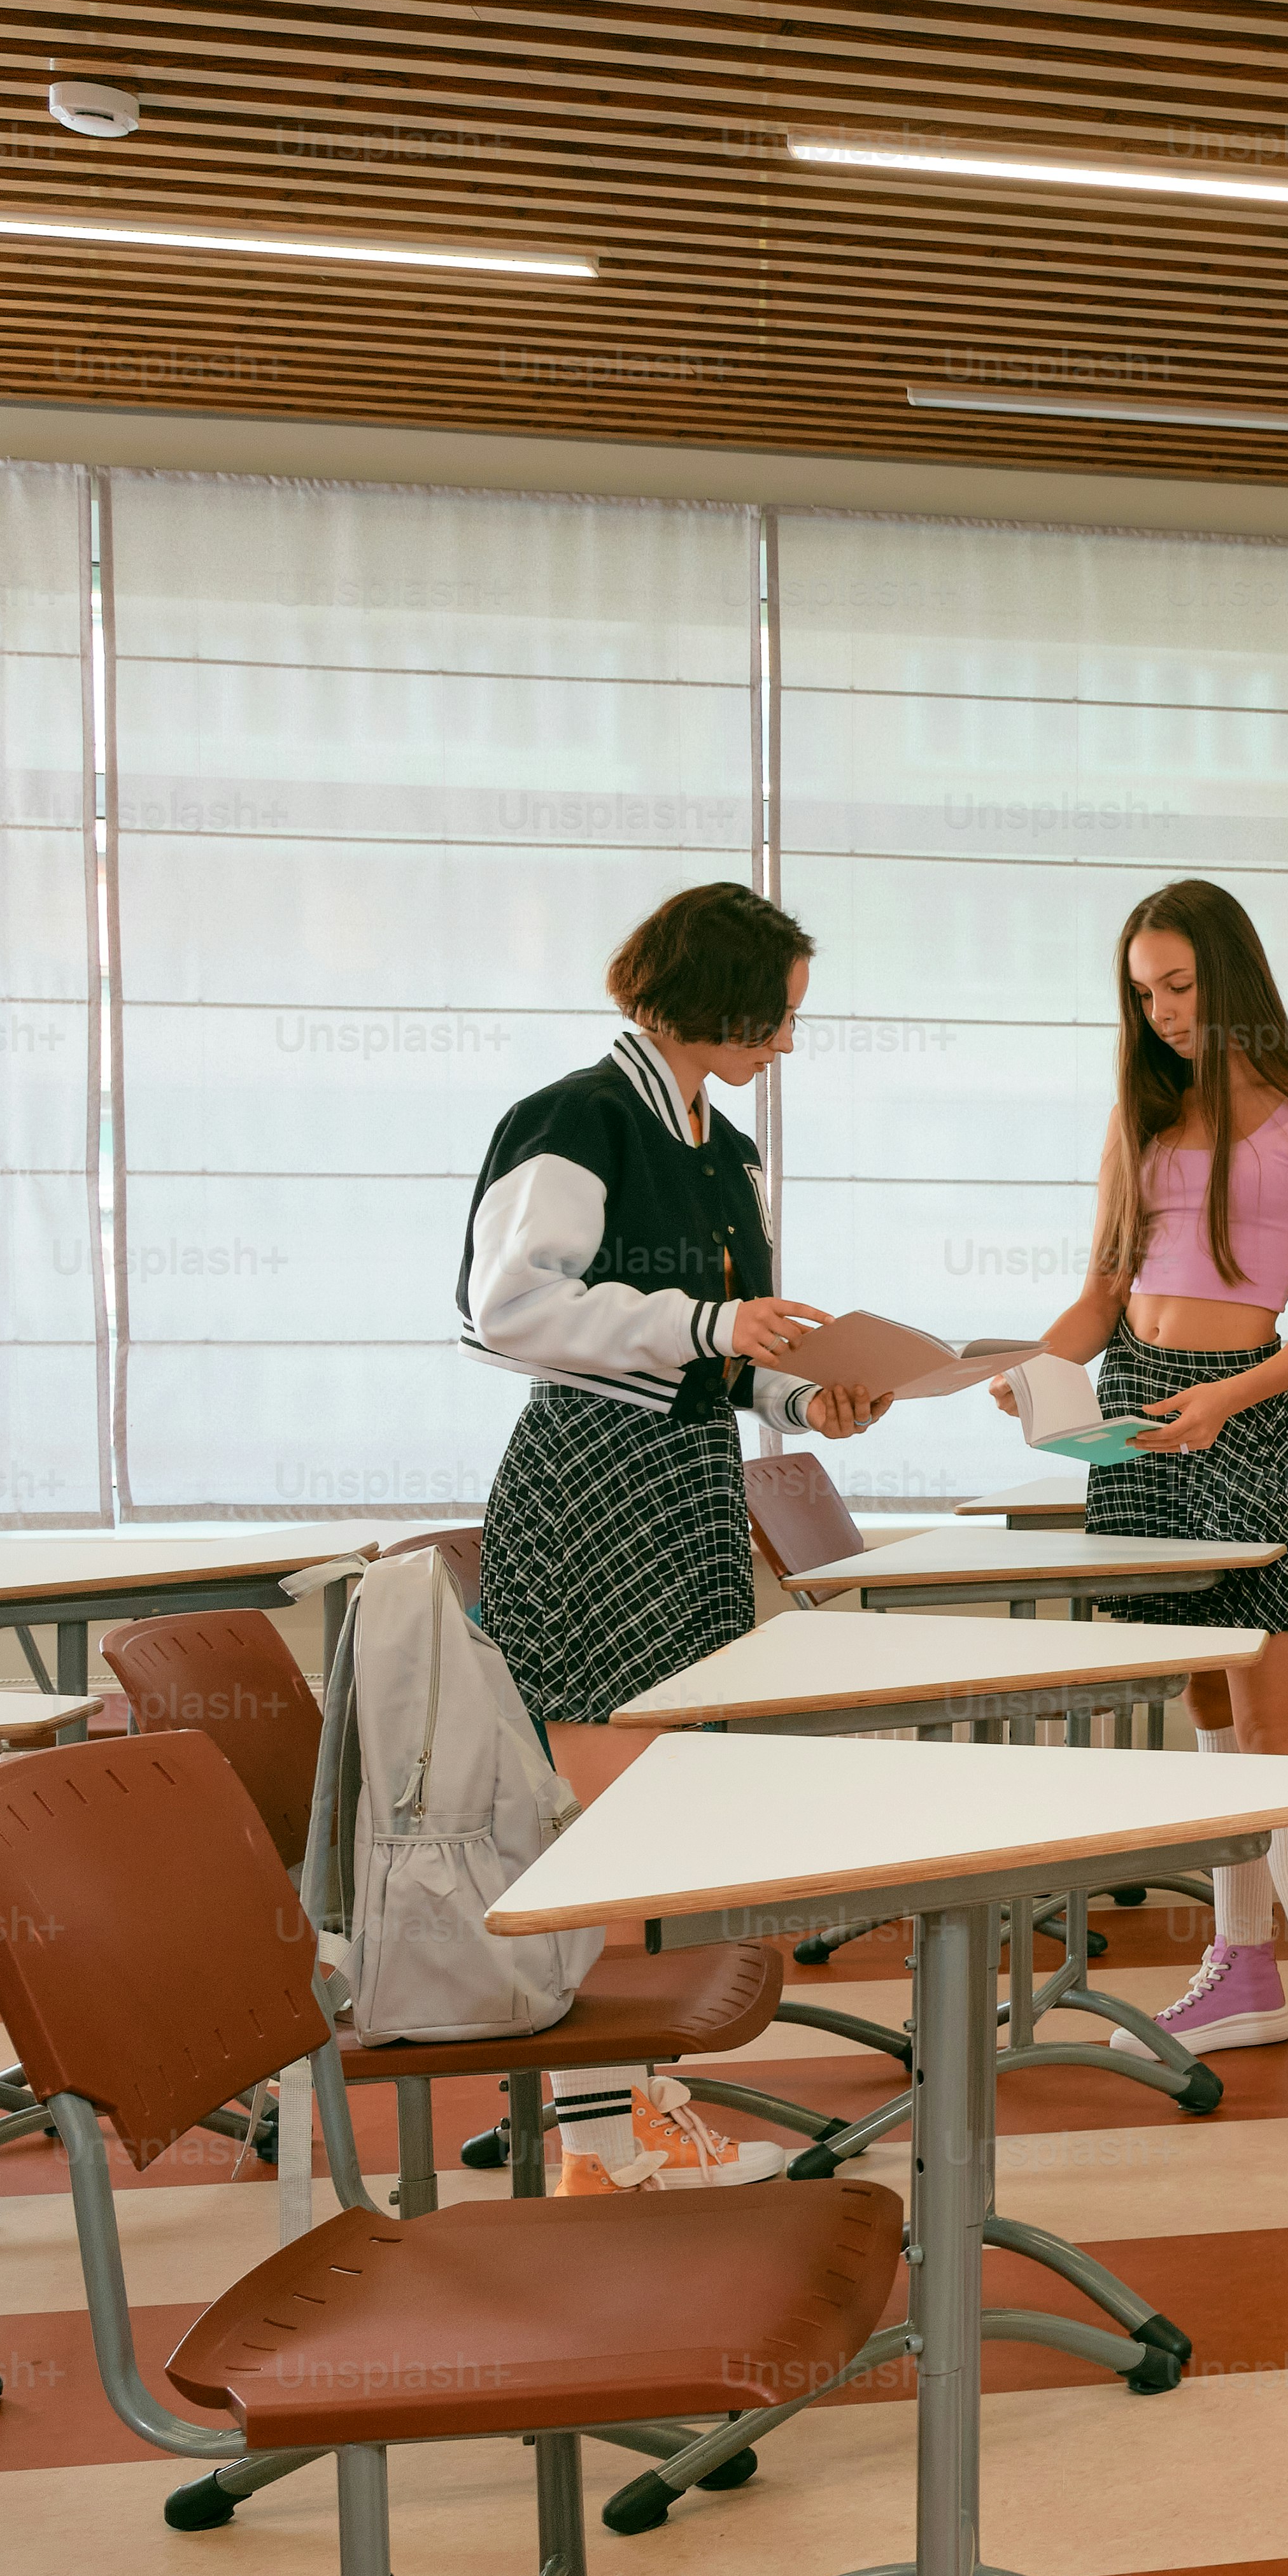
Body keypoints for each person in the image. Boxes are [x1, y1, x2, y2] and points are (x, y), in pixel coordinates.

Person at [458, 880, 882, 2192]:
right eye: (782, 1017)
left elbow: (728, 1349)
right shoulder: (577, 1118)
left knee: (658, 1816)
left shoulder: (723, 1150)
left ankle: (634, 2109)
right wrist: (712, 1329)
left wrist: (807, 1389)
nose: (789, 1045)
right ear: (720, 998)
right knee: (602, 1818)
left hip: (689, 1481)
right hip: (594, 1485)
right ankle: (596, 2138)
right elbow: (509, 1309)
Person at [1019, 880, 1288, 2131]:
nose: (1163, 1013)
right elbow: (1100, 1295)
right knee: (1202, 1694)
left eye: (1179, 986)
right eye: (1142, 992)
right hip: (1136, 1414)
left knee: (1283, 1719)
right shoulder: (1146, 1117)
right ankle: (1242, 1969)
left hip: (1243, 1419)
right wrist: (1026, 1372)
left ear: (1232, 978)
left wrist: (1229, 1396)